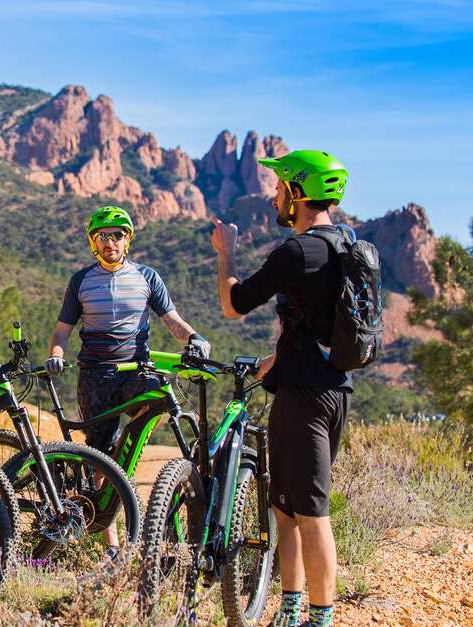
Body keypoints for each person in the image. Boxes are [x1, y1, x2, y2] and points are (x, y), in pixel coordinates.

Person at [211, 150, 353, 627]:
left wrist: (226, 252)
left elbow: (234, 305)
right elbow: (316, 328)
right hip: (332, 390)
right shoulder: (346, 246)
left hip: (304, 399)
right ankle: (291, 612)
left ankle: (320, 618)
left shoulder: (297, 252)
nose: (273, 197)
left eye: (278, 188)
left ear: (296, 192)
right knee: (286, 508)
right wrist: (271, 364)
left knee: (310, 512)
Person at [46, 204, 210, 557]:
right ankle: (112, 546)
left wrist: (195, 337)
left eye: (117, 235)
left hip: (136, 370)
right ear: (93, 242)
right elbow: (61, 332)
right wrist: (56, 354)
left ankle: (124, 462)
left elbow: (173, 322)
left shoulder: (147, 277)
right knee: (98, 456)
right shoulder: (81, 280)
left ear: (127, 240)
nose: (110, 242)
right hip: (95, 375)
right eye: (102, 236)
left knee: (157, 402)